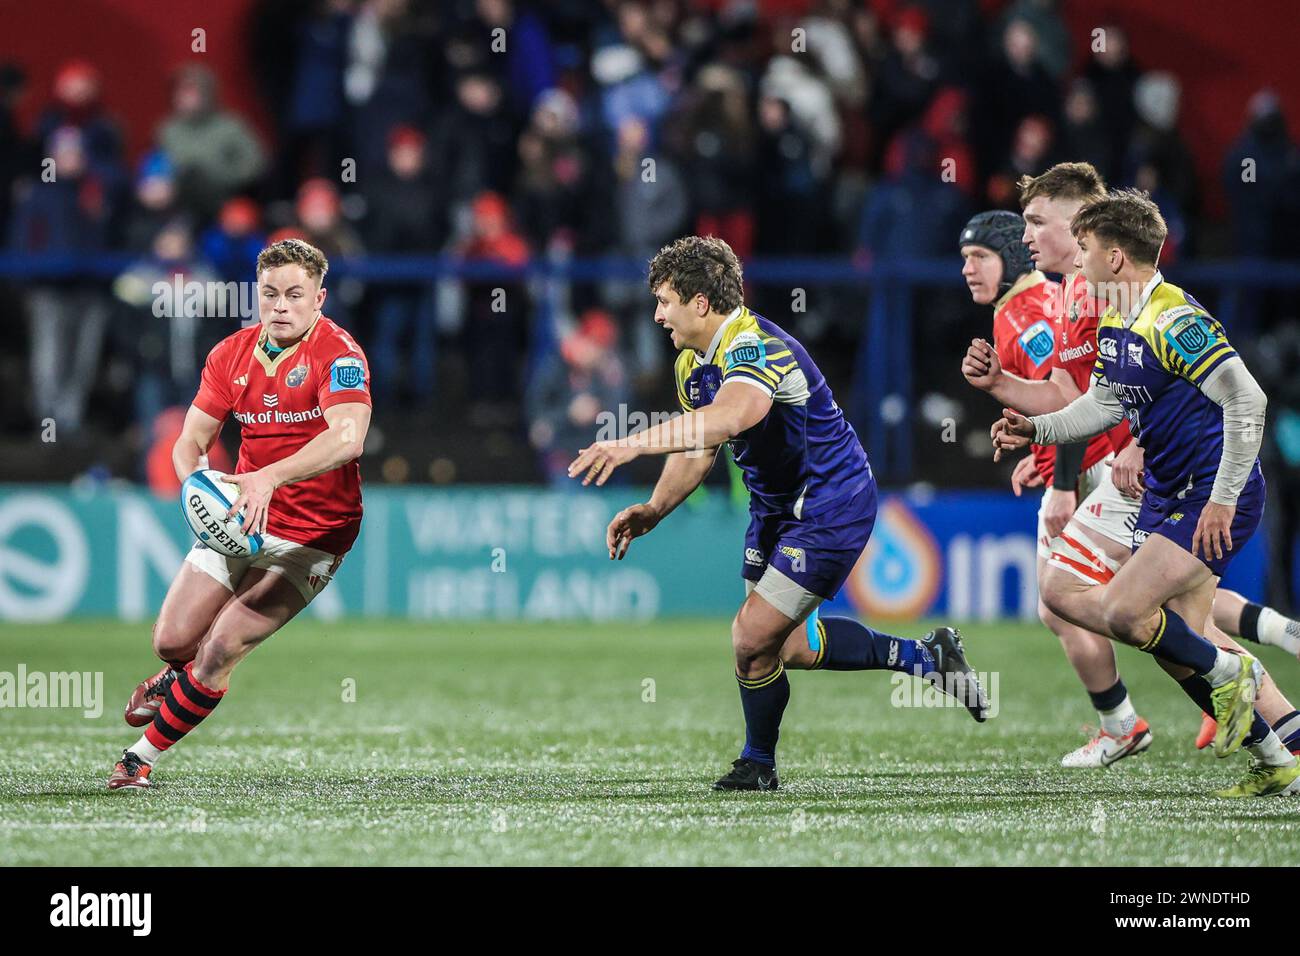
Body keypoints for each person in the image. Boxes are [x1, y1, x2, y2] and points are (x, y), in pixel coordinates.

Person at [567, 236, 987, 791]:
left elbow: (735, 414)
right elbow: (701, 447)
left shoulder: (755, 345)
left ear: (699, 302)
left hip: (829, 501)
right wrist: (654, 508)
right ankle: (927, 657)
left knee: (749, 639)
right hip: (774, 507)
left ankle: (757, 764)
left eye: (665, 300)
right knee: (786, 646)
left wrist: (629, 444)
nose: (657, 314)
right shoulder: (693, 361)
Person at [988, 190, 1300, 797]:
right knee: (1175, 646)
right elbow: (1100, 406)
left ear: (1115, 259)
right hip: (1168, 491)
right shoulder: (1115, 319)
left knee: (1125, 611)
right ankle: (1278, 757)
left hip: (1209, 493)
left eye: (1084, 249)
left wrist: (1224, 497)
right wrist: (1038, 429)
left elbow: (1248, 399)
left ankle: (1235, 670)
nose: (1075, 262)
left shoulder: (1172, 319)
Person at [108, 239, 371, 789]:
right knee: (173, 642)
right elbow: (190, 440)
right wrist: (197, 489)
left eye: (295, 295)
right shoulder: (230, 354)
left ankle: (139, 759)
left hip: (316, 536)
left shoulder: (339, 356)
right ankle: (173, 675)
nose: (280, 305)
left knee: (222, 647)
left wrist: (269, 476)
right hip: (244, 519)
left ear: (319, 299)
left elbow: (347, 439)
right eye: (270, 293)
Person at [959, 207, 1150, 767]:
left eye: (980, 257)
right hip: (1086, 462)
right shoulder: (1022, 308)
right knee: (1071, 605)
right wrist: (1038, 453)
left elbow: (1072, 399)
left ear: (1012, 258)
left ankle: (1154, 709)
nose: (968, 270)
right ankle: (1252, 651)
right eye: (964, 259)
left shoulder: (1027, 316)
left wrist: (1063, 483)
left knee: (1101, 603)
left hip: (1095, 468)